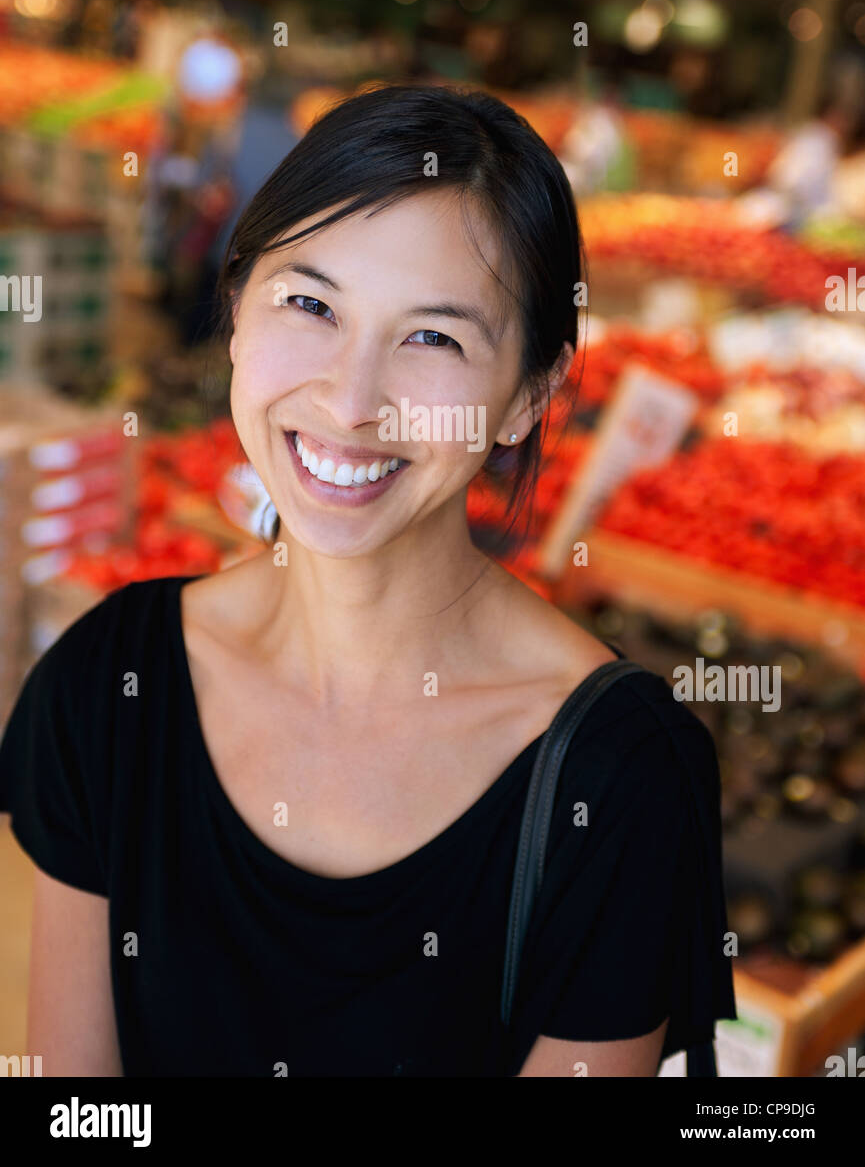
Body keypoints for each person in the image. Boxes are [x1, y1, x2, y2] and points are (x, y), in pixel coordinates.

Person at [0, 85, 736, 1077]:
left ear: (527, 395)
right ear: (234, 310)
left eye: (432, 337)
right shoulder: (109, 682)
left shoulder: (614, 779)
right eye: (309, 303)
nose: (350, 402)